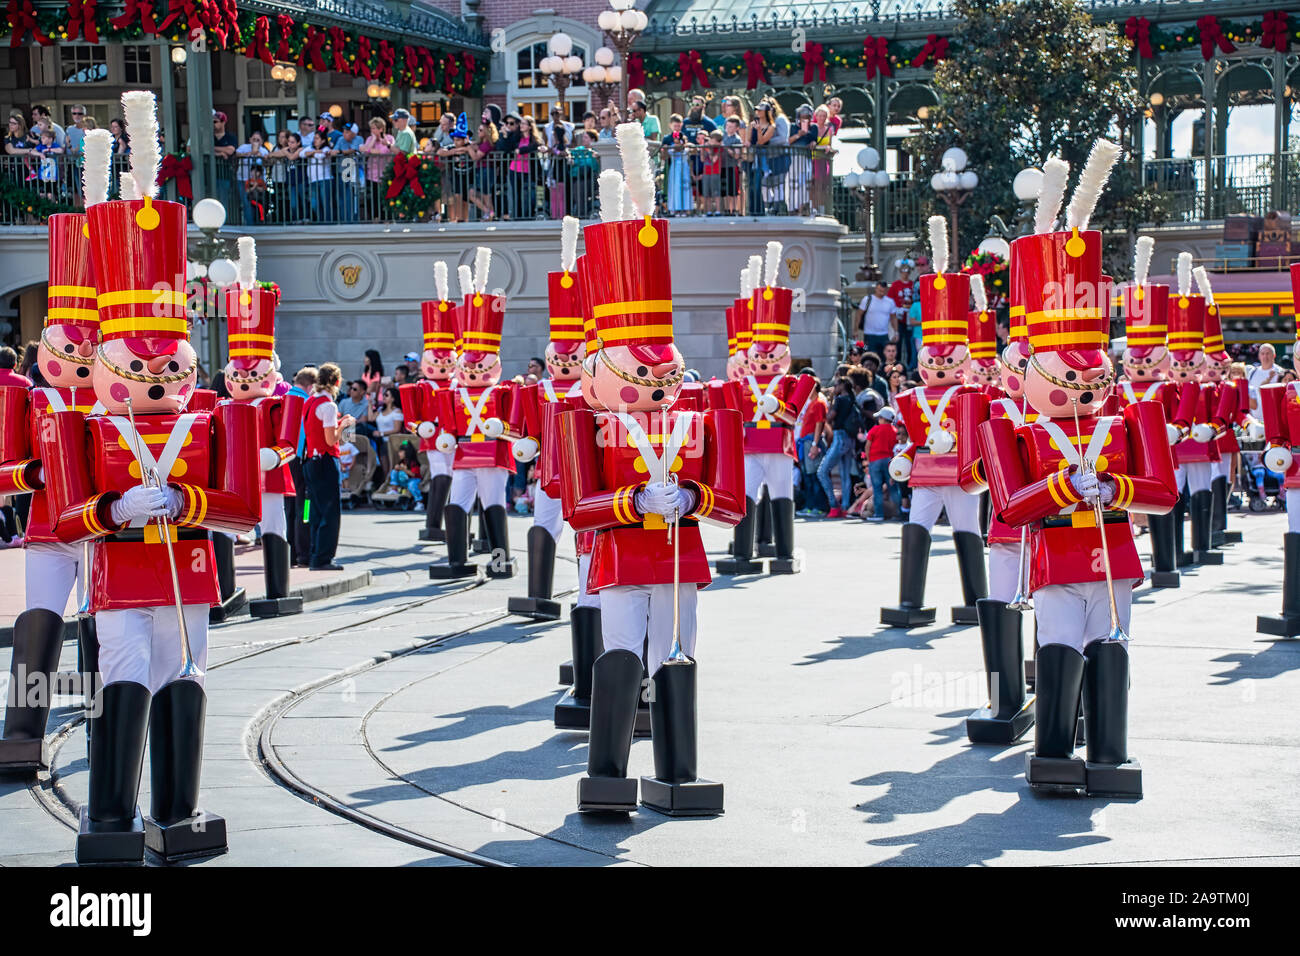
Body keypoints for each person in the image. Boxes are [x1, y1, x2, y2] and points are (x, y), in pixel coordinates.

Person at [303, 362, 353, 571]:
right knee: (330, 511)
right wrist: (344, 424)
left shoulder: (310, 401)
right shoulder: (329, 406)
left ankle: (315, 553)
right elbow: (331, 439)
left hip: (310, 459)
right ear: (337, 382)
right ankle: (324, 557)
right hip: (325, 460)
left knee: (314, 510)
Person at [817, 377, 858, 517]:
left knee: (822, 471)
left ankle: (834, 505)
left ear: (842, 386)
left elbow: (829, 417)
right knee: (845, 475)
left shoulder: (840, 399)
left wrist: (833, 399)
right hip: (849, 439)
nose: (834, 387)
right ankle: (845, 507)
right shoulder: (852, 399)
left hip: (839, 437)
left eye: (836, 385)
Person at [865, 406, 902, 521]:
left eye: (880, 417)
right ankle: (898, 513)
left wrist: (868, 459)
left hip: (875, 460)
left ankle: (879, 515)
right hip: (889, 462)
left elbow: (868, 445)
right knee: (893, 488)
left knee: (877, 488)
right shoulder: (895, 431)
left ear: (882, 418)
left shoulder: (875, 429)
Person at [438, 113, 474, 222]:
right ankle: (458, 218)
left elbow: (476, 149)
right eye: (454, 139)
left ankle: (465, 219)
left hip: (469, 175)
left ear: (464, 139)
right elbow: (440, 152)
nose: (455, 142)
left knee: (465, 199)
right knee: (457, 196)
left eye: (458, 140)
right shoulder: (452, 147)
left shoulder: (470, 146)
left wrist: (467, 149)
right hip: (457, 175)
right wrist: (453, 151)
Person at [234, 129, 270, 224]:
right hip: (243, 179)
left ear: (262, 141)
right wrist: (249, 154)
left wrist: (261, 156)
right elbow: (236, 154)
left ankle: (260, 222)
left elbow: (268, 163)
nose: (255, 142)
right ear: (250, 140)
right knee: (246, 202)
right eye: (254, 139)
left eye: (258, 140)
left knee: (258, 202)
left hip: (258, 182)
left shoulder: (263, 151)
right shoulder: (244, 147)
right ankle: (250, 224)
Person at [787, 105, 818, 216]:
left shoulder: (814, 128)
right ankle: (792, 208)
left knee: (804, 183)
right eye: (803, 117)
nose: (805, 120)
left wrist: (813, 143)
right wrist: (798, 135)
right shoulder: (792, 127)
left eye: (808, 117)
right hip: (793, 159)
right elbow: (788, 142)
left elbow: (814, 140)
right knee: (792, 183)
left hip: (805, 159)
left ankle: (802, 207)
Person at [301, 129, 336, 221]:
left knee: (325, 203)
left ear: (323, 140)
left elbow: (321, 157)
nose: (314, 140)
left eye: (317, 138)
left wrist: (311, 154)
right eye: (314, 138)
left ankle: (328, 223)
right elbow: (302, 154)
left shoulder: (326, 148)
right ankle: (320, 221)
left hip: (325, 179)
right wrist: (314, 152)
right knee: (314, 204)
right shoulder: (311, 148)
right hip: (312, 180)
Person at [856, 282, 897, 356]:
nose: (881, 293)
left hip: (884, 334)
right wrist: (855, 330)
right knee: (869, 355)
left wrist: (896, 332)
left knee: (885, 356)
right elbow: (859, 314)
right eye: (879, 290)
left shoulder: (890, 302)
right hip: (869, 334)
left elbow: (893, 318)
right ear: (876, 289)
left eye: (883, 291)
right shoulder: (867, 299)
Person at [469, 115, 498, 220]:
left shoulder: (487, 144)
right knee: (477, 194)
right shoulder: (482, 143)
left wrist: (469, 149)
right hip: (481, 170)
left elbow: (476, 157)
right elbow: (477, 147)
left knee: (485, 194)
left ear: (486, 131)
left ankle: (489, 214)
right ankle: (489, 213)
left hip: (486, 171)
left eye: (480, 130)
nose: (478, 131)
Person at [662, 114, 691, 215]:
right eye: (675, 126)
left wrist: (682, 145)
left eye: (679, 126)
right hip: (671, 166)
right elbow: (663, 153)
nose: (677, 128)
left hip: (683, 166)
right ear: (670, 125)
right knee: (673, 188)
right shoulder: (667, 138)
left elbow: (688, 149)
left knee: (684, 187)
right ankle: (674, 208)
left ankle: (685, 208)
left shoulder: (684, 137)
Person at [334, 123, 364, 223]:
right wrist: (341, 151)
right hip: (342, 172)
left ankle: (354, 220)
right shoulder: (340, 139)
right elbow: (334, 151)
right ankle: (344, 220)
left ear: (354, 133)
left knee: (353, 197)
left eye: (347, 132)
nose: (344, 134)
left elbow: (353, 150)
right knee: (342, 198)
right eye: (344, 131)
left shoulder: (359, 139)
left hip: (354, 172)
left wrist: (341, 152)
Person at [388, 442, 424, 510]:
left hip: (414, 480)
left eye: (401, 452)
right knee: (393, 472)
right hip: (404, 480)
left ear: (407, 452)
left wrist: (403, 469)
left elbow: (413, 474)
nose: (399, 453)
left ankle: (420, 502)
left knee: (412, 485)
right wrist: (397, 469)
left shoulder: (413, 462)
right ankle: (394, 489)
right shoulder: (402, 462)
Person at [1248, 342, 1282, 412]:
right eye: (1262, 354)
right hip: (1255, 418)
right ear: (1259, 356)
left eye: (1268, 353)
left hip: (1274, 417)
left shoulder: (1281, 372)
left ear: (1274, 355)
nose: (1265, 356)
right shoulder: (1252, 372)